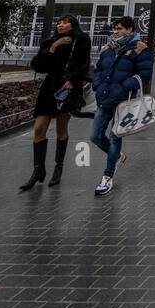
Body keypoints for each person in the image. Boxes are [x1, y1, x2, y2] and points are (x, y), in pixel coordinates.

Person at [21, 13, 91, 190]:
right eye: (59, 23)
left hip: (67, 87)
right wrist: (53, 47)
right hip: (49, 87)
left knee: (61, 128)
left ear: (73, 24)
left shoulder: (81, 40)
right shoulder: (50, 42)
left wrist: (71, 79)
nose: (60, 25)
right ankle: (38, 169)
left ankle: (58, 168)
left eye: (65, 22)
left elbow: (83, 64)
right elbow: (38, 65)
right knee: (39, 128)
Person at [90, 16, 153, 197]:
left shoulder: (139, 49)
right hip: (104, 98)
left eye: (119, 28)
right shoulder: (107, 49)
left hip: (124, 101)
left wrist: (124, 87)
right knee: (95, 136)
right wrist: (98, 85)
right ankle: (117, 156)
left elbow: (145, 73)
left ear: (130, 30)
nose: (115, 31)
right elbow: (98, 70)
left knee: (115, 136)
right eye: (115, 28)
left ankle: (107, 177)